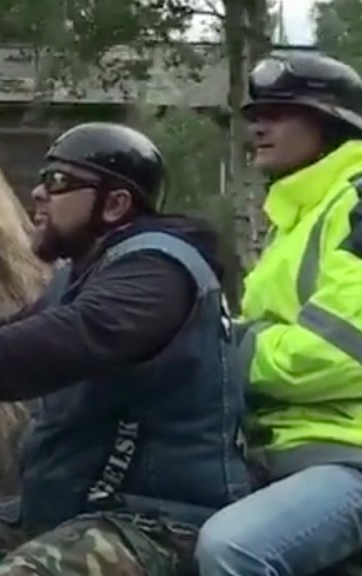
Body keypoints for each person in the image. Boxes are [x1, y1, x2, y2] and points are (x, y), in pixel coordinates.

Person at [0, 122, 251, 576]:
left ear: (115, 203)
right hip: (64, 510)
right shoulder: (84, 274)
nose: (37, 192)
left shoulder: (159, 267)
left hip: (151, 522)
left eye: (58, 181)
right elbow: (17, 331)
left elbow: (82, 333)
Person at [193, 51, 362, 576]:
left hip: (346, 453)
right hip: (282, 448)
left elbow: (343, 350)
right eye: (255, 117)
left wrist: (225, 351)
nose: (259, 128)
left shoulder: (356, 205)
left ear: (332, 123)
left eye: (279, 113)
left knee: (231, 549)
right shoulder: (295, 216)